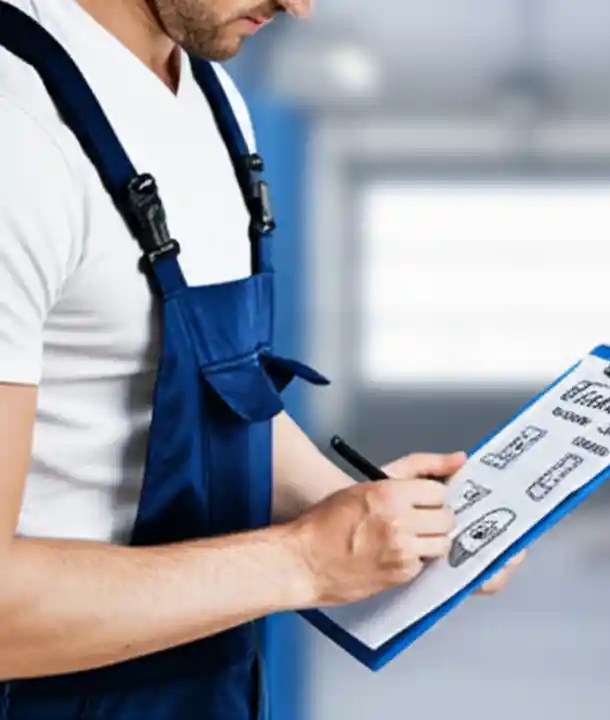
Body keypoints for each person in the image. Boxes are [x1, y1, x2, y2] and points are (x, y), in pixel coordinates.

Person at [0, 0, 524, 716]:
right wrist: (307, 560)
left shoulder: (213, 100)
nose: (300, 7)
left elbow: (213, 387)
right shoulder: (18, 130)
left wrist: (368, 515)